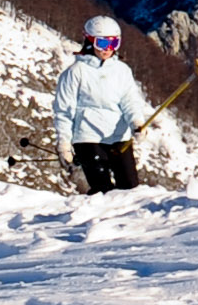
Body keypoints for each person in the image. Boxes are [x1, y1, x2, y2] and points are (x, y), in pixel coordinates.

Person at [53, 15, 145, 194]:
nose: (108, 50)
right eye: (103, 44)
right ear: (90, 41)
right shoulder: (75, 72)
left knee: (130, 189)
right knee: (103, 189)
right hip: (88, 137)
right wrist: (64, 142)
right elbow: (64, 110)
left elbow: (129, 100)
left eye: (114, 44)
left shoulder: (122, 71)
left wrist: (136, 122)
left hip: (118, 137)